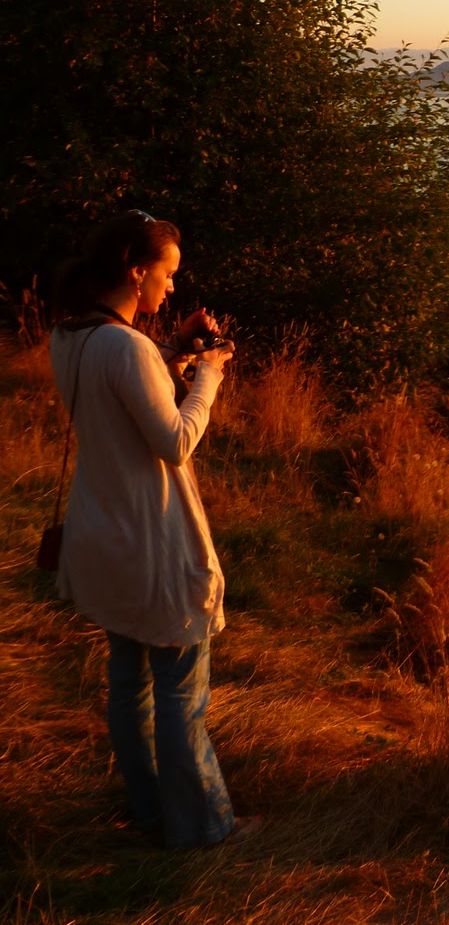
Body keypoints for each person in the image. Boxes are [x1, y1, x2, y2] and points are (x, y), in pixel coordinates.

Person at [49, 209, 261, 847]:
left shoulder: (71, 334)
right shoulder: (126, 346)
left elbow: (123, 391)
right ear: (137, 271)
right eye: (166, 274)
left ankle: (148, 810)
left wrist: (169, 351)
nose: (171, 288)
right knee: (178, 693)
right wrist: (209, 375)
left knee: (128, 685)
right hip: (153, 541)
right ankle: (201, 827)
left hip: (103, 532)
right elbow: (174, 441)